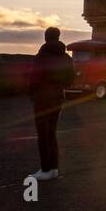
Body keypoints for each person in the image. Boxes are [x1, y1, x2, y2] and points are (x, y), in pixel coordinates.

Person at [28, 27, 73, 180]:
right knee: (52, 133)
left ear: (46, 37)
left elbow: (34, 77)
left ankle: (45, 170)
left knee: (43, 134)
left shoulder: (42, 56)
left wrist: (32, 93)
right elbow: (70, 80)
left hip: (43, 97)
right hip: (59, 96)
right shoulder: (66, 57)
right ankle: (53, 169)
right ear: (58, 37)